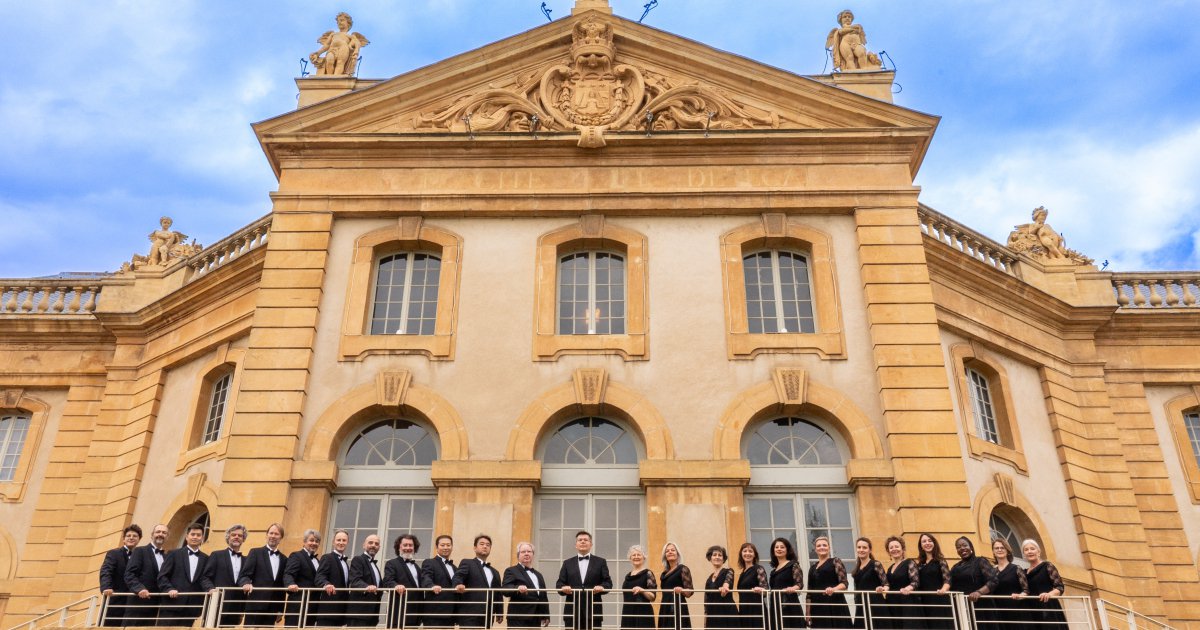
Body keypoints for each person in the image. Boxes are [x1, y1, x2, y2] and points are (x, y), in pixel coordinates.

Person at [556, 530, 612, 629]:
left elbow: (608, 583)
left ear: (591, 544)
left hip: (593, 610)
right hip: (572, 610)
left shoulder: (601, 562)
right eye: (580, 540)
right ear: (576, 545)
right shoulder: (567, 563)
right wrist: (563, 587)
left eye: (586, 540)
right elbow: (559, 584)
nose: (582, 542)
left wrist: (602, 587)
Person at [157, 522, 209, 626]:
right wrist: (169, 589)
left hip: (192, 607)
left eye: (198, 535)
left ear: (202, 538)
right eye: (192, 534)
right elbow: (162, 576)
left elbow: (205, 579)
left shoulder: (206, 558)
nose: (195, 537)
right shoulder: (173, 554)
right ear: (186, 537)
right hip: (172, 603)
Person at [240, 523, 288, 626]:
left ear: (281, 538)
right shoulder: (255, 552)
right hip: (255, 605)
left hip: (273, 608)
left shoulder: (284, 559)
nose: (273, 536)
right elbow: (245, 575)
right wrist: (246, 583)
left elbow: (282, 586)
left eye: (276, 534)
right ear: (266, 535)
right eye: (271, 533)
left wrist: (280, 609)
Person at [200, 524, 248, 627]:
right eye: (233, 535)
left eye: (240, 535)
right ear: (228, 537)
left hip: (236, 607)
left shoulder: (246, 560)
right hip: (216, 604)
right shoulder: (216, 555)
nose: (236, 537)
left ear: (243, 539)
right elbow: (205, 577)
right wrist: (211, 589)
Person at [453, 534, 503, 628]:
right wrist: (458, 584)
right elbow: (458, 576)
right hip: (470, 613)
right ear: (475, 548)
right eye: (482, 544)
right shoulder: (467, 563)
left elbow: (498, 593)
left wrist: (500, 611)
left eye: (488, 545)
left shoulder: (495, 572)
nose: (485, 546)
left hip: (488, 614)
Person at [948, 537, 998, 630]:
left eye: (964, 545)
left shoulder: (980, 561)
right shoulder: (955, 567)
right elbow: (949, 584)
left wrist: (979, 592)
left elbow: (993, 581)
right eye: (958, 547)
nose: (962, 548)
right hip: (964, 608)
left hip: (982, 607)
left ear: (971, 547)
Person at [124, 524, 169, 626]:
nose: (160, 534)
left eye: (164, 533)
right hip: (138, 602)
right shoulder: (140, 551)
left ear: (167, 537)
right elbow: (129, 574)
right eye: (158, 532)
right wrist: (139, 589)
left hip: (155, 604)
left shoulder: (166, 556)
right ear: (152, 535)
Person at [99, 524, 142, 626]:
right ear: (123, 539)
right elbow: (106, 571)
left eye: (135, 536)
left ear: (139, 539)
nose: (131, 538)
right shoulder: (114, 553)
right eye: (128, 536)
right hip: (114, 599)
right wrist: (106, 587)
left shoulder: (141, 555)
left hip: (132, 601)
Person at [1019, 539, 1067, 630]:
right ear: (1024, 554)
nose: (1029, 551)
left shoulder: (1047, 566)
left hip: (1048, 607)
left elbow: (1060, 587)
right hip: (1032, 610)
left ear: (1038, 552)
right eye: (1026, 550)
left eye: (1032, 549)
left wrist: (1049, 594)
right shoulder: (1024, 573)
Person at [806, 536, 850, 629]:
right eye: (819, 546)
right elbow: (809, 593)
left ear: (829, 548)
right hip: (817, 607)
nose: (822, 547)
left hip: (834, 604)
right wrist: (808, 612)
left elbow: (844, 583)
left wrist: (833, 589)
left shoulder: (835, 561)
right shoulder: (812, 568)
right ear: (815, 549)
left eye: (824, 545)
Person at [502, 542, 550, 628]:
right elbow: (505, 589)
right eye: (523, 552)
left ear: (533, 554)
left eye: (529, 551)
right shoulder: (511, 571)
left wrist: (546, 615)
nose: (527, 554)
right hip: (518, 618)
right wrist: (517, 588)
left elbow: (543, 596)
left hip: (536, 618)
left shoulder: (538, 575)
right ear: (518, 555)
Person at [383, 534, 425, 629]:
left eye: (411, 545)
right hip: (398, 612)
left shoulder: (417, 567)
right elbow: (387, 581)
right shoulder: (392, 563)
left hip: (415, 613)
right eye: (405, 545)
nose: (408, 547)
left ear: (415, 548)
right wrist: (396, 586)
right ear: (399, 547)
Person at [985, 539, 1027, 630]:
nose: (999, 550)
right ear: (993, 551)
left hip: (1015, 609)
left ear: (1007, 550)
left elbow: (1026, 590)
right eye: (996, 548)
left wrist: (1020, 595)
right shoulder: (991, 571)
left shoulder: (1017, 568)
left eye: (1002, 548)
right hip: (997, 610)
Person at [877, 536, 918, 630]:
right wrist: (882, 589)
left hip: (907, 602)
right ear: (888, 551)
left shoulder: (910, 562)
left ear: (902, 549)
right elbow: (888, 585)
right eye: (891, 548)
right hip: (892, 603)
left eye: (897, 546)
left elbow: (915, 582)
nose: (894, 549)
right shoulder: (890, 568)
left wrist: (907, 589)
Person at [284, 529, 323, 628]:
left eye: (317, 541)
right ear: (304, 541)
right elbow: (288, 574)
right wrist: (290, 584)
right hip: (298, 605)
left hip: (312, 606)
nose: (314, 543)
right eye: (311, 540)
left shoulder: (318, 561)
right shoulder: (297, 556)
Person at [315, 529, 353, 627]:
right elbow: (319, 576)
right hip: (328, 610)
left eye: (344, 540)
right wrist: (326, 584)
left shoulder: (345, 562)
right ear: (333, 542)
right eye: (338, 540)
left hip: (340, 611)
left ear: (347, 542)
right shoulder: (327, 557)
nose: (341, 542)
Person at [421, 534, 460, 628]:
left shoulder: (455, 567)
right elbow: (426, 577)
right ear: (436, 547)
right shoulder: (429, 562)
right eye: (442, 545)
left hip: (451, 613)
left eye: (448, 545)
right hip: (434, 612)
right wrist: (431, 586)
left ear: (452, 547)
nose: (446, 547)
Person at [347, 534, 385, 626]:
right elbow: (355, 580)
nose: (373, 545)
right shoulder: (358, 559)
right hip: (359, 613)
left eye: (376, 544)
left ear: (379, 548)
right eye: (370, 542)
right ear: (364, 545)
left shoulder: (374, 565)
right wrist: (366, 587)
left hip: (372, 614)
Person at [916, 534, 952, 630]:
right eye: (924, 541)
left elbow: (947, 580)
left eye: (929, 540)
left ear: (934, 543)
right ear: (921, 546)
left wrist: (943, 590)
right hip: (925, 601)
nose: (927, 543)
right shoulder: (920, 564)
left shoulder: (941, 561)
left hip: (939, 599)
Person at [766, 538, 803, 630]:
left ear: (787, 550)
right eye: (776, 547)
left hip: (789, 603)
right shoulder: (773, 571)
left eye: (782, 547)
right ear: (773, 551)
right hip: (775, 604)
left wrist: (792, 588)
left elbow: (799, 584)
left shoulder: (793, 565)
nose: (779, 549)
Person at [850, 537, 886, 630]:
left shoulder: (876, 564)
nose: (861, 550)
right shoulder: (857, 568)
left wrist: (882, 589)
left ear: (870, 550)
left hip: (875, 604)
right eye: (859, 547)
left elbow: (886, 584)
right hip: (861, 605)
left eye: (864, 548)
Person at [620, 545, 657, 630]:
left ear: (644, 557)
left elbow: (652, 597)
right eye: (634, 555)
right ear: (630, 558)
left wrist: (642, 590)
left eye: (639, 554)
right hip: (628, 612)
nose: (636, 557)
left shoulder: (648, 573)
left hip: (642, 614)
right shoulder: (628, 576)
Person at [658, 542, 693, 630]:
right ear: (665, 555)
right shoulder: (664, 573)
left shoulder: (683, 569)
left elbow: (690, 592)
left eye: (673, 550)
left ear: (677, 554)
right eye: (667, 551)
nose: (670, 552)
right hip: (665, 607)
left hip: (677, 606)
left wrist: (681, 590)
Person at [735, 543, 768, 630]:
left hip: (756, 609)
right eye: (745, 551)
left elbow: (766, 591)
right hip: (744, 609)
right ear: (741, 554)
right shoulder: (742, 572)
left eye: (750, 551)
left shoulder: (758, 569)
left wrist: (761, 589)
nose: (747, 553)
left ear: (754, 555)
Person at [704, 545, 737, 629]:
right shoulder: (708, 579)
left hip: (727, 612)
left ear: (723, 559)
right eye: (714, 555)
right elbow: (706, 600)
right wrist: (705, 619)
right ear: (710, 558)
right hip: (712, 614)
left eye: (720, 555)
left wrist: (724, 587)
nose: (717, 557)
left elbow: (727, 582)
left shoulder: (729, 571)